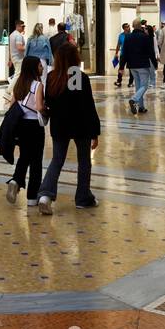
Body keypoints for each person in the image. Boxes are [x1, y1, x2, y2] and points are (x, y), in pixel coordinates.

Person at [36, 42, 100, 215]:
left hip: (60, 124)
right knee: (84, 161)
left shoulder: (52, 76)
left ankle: (45, 195)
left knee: (57, 160)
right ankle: (82, 198)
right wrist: (95, 131)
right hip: (80, 124)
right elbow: (85, 105)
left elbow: (51, 101)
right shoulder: (76, 76)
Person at [4, 56, 46, 209]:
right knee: (36, 161)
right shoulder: (38, 85)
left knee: (24, 156)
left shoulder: (19, 84)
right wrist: (47, 111)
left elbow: (12, 105)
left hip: (21, 125)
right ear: (34, 68)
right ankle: (32, 198)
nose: (42, 68)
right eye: (40, 66)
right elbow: (40, 107)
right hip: (34, 126)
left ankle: (16, 180)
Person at [122, 19, 157, 116]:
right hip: (142, 65)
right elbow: (151, 52)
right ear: (140, 26)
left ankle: (141, 107)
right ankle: (134, 99)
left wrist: (121, 66)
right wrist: (155, 63)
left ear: (133, 26)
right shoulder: (144, 37)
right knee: (144, 85)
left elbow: (124, 53)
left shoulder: (128, 37)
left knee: (138, 86)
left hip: (132, 66)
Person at [7, 19, 27, 88]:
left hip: (14, 57)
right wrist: (27, 47)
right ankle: (8, 91)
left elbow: (10, 48)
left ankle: (15, 90)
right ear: (18, 26)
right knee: (18, 75)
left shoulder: (12, 35)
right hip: (19, 58)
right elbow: (19, 47)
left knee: (18, 74)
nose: (24, 28)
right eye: (23, 26)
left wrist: (10, 59)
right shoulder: (18, 36)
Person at [113, 23, 131, 88]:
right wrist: (116, 53)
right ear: (124, 28)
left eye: (129, 26)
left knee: (131, 69)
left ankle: (130, 82)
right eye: (127, 27)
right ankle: (119, 81)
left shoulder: (132, 35)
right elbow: (118, 45)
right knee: (121, 68)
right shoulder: (121, 35)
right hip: (123, 54)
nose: (128, 28)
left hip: (130, 54)